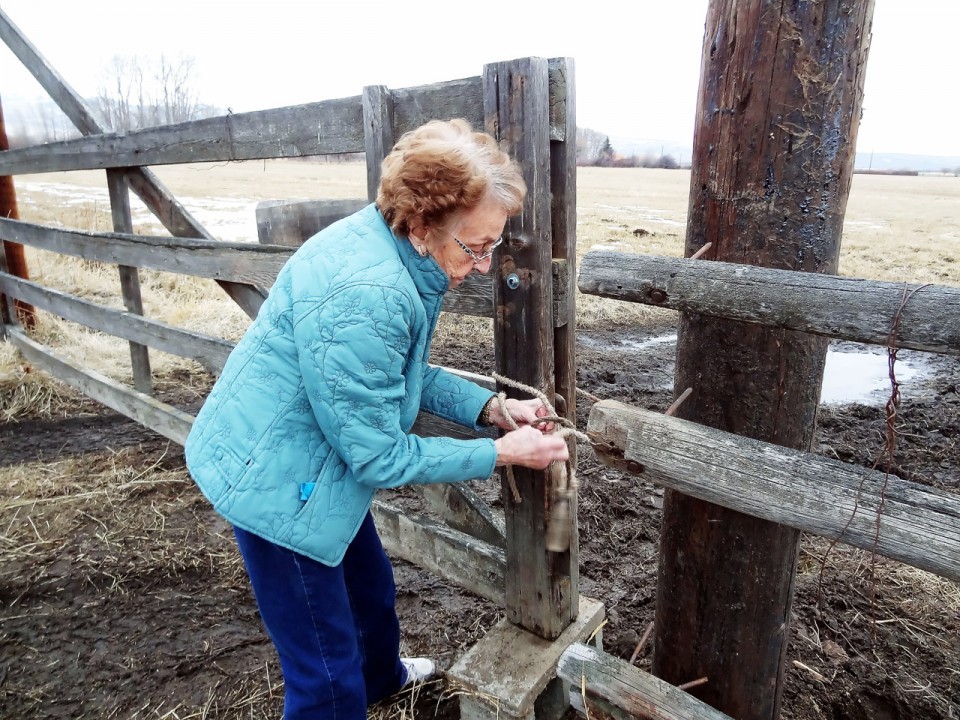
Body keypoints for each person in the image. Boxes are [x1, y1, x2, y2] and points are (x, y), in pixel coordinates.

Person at [184, 118, 569, 719]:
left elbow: (396, 376)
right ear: (421, 223)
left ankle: (383, 679)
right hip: (277, 485)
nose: (487, 265)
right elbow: (380, 456)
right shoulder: (370, 292)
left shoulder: (383, 245)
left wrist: (491, 407)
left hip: (309, 457)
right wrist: (504, 453)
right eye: (477, 247)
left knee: (370, 593)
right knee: (326, 674)